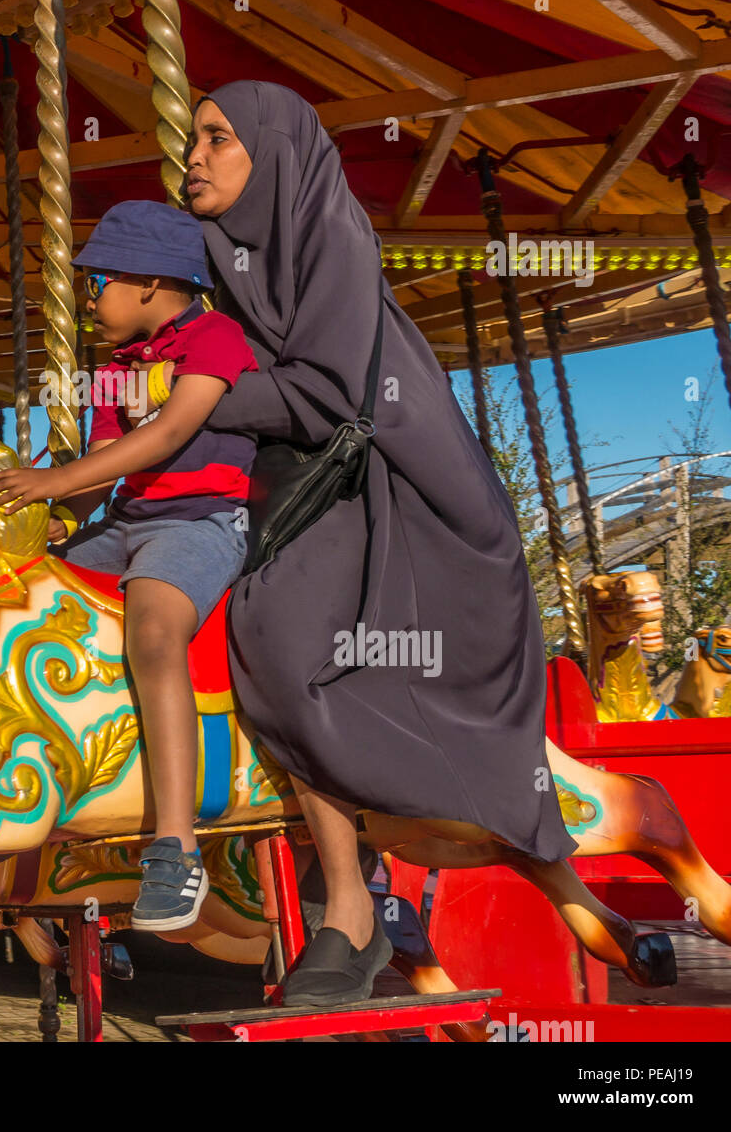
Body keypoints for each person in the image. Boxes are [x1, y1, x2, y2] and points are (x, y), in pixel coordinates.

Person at [140, 80, 576, 1006]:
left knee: (288, 645)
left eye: (218, 138)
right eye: (192, 139)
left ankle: (354, 904)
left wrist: (194, 398)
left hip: (390, 493)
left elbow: (330, 391)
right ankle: (334, 896)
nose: (196, 155)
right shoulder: (226, 264)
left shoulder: (331, 240)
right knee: (243, 629)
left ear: (276, 155)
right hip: (299, 487)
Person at [0, 200, 257, 932]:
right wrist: (45, 518)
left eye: (96, 281)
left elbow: (170, 432)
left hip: (201, 520)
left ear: (146, 280)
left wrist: (51, 483)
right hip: (128, 522)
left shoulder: (216, 337)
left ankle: (176, 844)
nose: (88, 299)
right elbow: (102, 470)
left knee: (155, 629)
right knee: (18, 599)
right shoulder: (116, 366)